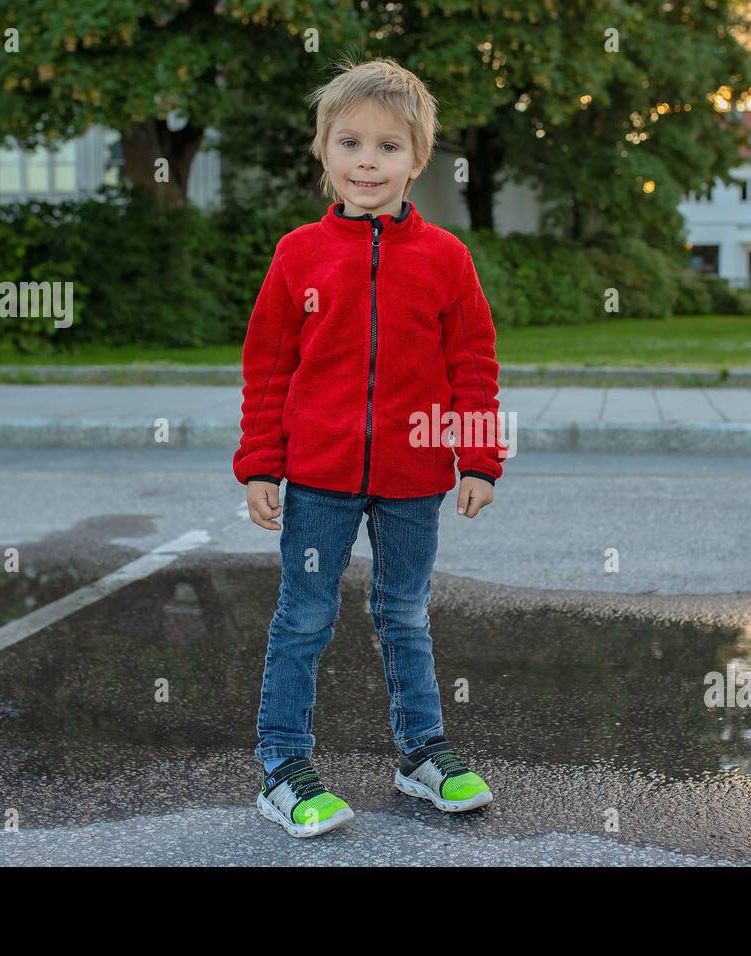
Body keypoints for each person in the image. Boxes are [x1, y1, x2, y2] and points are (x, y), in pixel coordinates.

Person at [232, 55, 508, 838]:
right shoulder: (298, 255)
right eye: (350, 143)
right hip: (317, 481)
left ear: (417, 160)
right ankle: (283, 765)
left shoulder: (446, 260)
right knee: (304, 619)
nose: (367, 161)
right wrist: (259, 464)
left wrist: (478, 458)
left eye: (388, 147)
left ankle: (422, 753)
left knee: (406, 615)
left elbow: (473, 365)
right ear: (325, 153)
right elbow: (267, 368)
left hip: (415, 478)